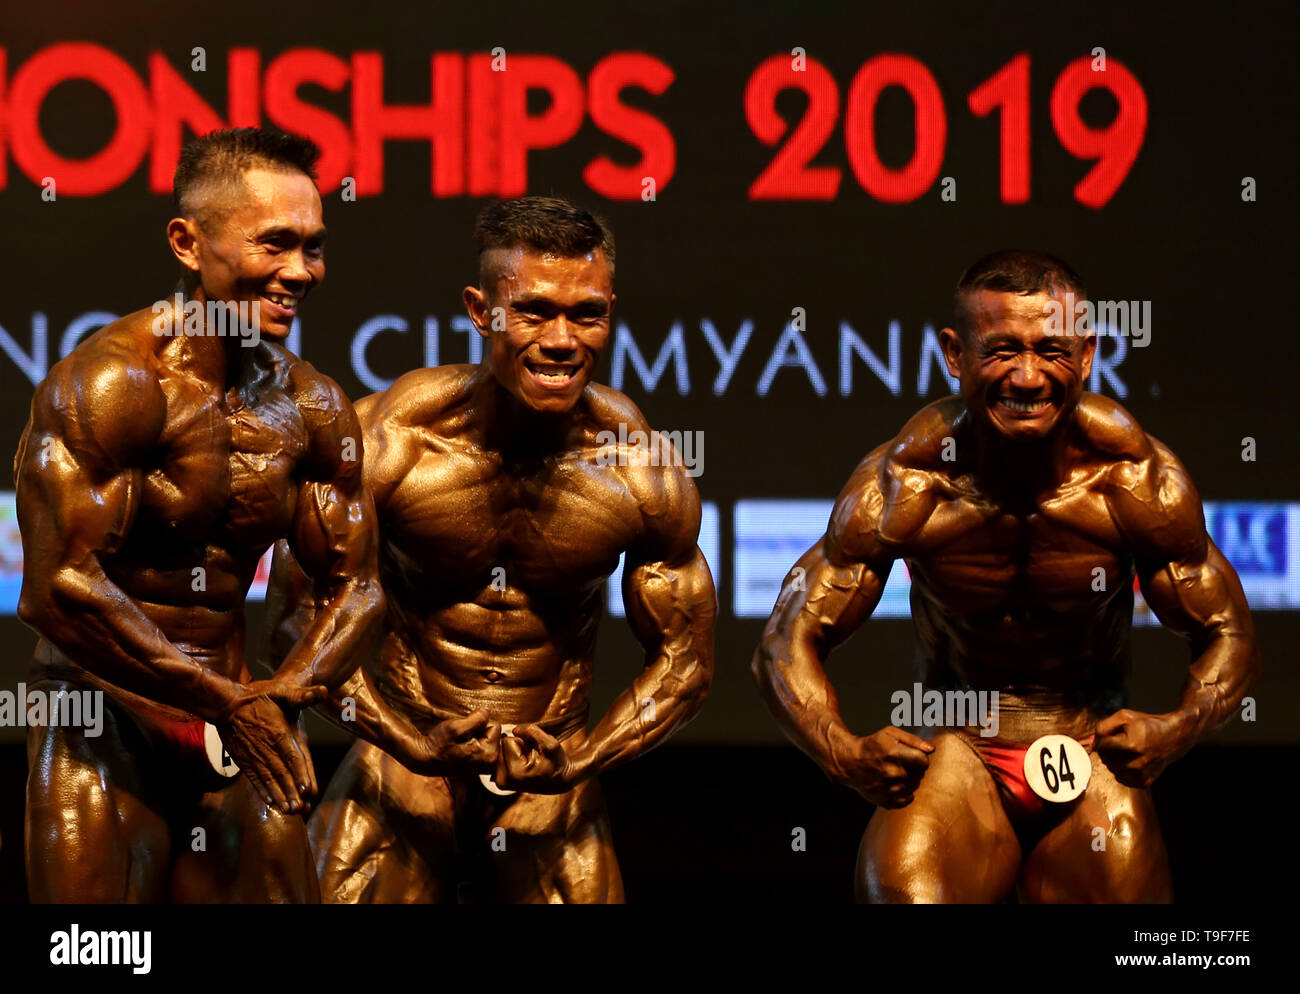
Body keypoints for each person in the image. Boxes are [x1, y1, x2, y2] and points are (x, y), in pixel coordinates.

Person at [752, 250, 1260, 903]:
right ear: (954, 355)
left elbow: (1230, 634)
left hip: (1085, 740)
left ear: (1086, 354)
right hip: (959, 746)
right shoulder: (908, 484)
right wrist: (842, 752)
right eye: (1000, 352)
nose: (1026, 377)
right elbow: (782, 643)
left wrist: (1177, 728)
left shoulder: (1134, 480)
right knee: (902, 892)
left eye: (1050, 350)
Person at [265, 196, 716, 903]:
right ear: (481, 311)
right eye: (534, 311)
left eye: (586, 314)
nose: (563, 340)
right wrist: (406, 741)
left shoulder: (640, 469)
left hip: (551, 770)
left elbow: (686, 662)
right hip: (404, 757)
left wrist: (581, 758)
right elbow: (296, 621)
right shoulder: (389, 441)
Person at [15, 127, 383, 902]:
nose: (299, 271)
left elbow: (358, 587)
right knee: (95, 956)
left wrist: (283, 695)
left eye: (314, 246)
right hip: (106, 718)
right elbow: (56, 589)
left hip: (238, 721)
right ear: (189, 243)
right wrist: (226, 703)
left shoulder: (311, 405)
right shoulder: (113, 384)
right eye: (275, 243)